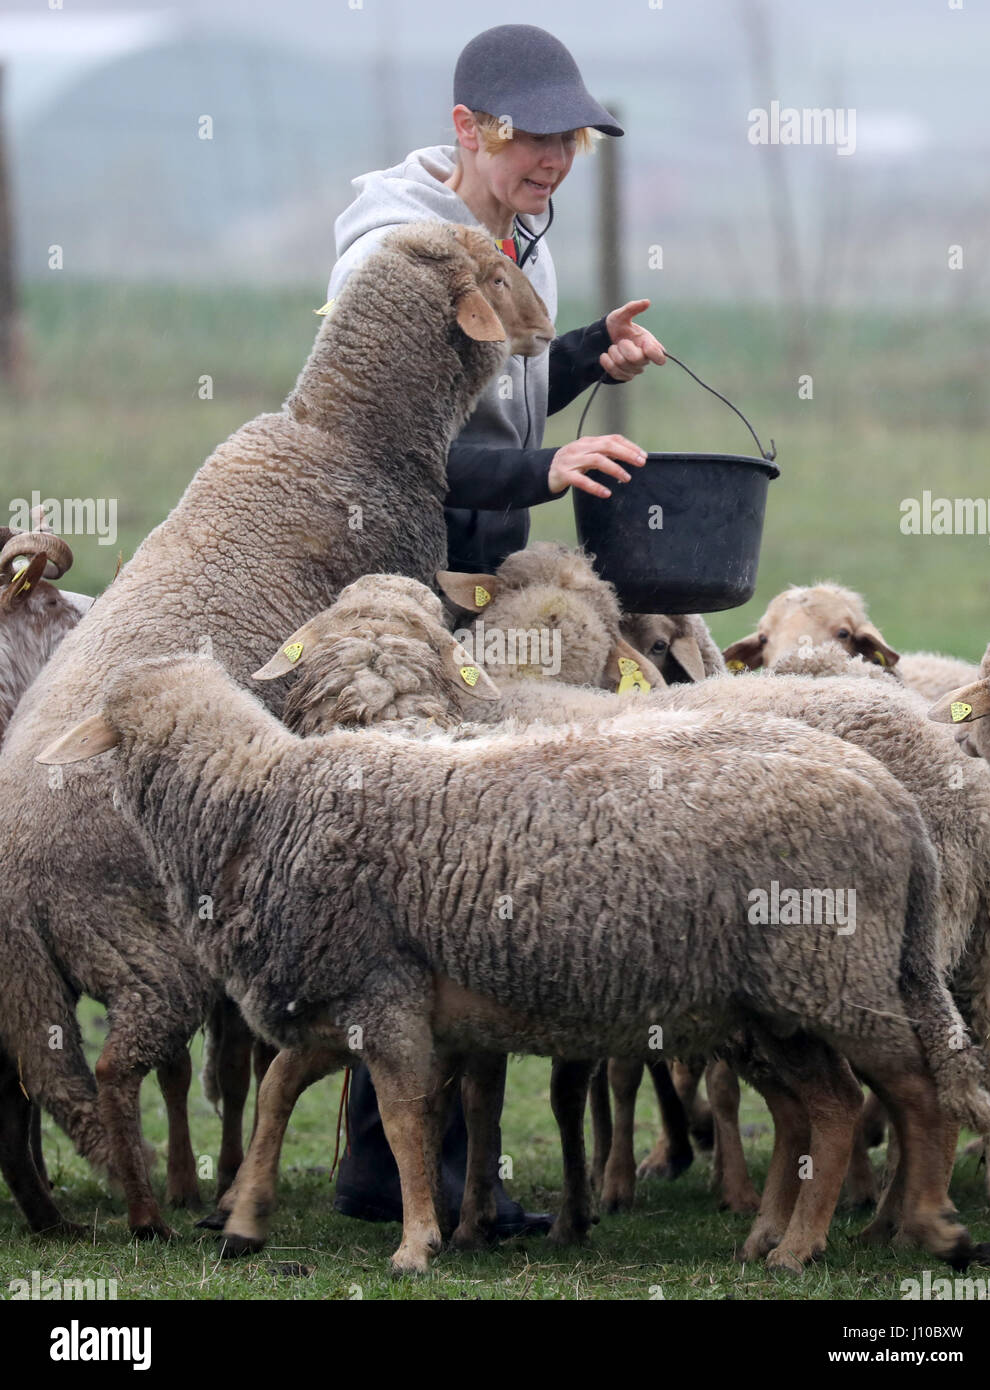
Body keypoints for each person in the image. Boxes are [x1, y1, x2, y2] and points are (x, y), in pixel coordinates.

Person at [326, 24, 667, 1234]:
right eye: (531, 137)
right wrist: (544, 466)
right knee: (418, 863)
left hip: (467, 572)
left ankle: (396, 1164)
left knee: (445, 852)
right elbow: (411, 444)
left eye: (568, 138)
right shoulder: (396, 254)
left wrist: (582, 354)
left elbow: (498, 381)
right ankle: (410, 1175)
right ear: (467, 129)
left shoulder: (521, 240)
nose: (554, 160)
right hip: (394, 580)